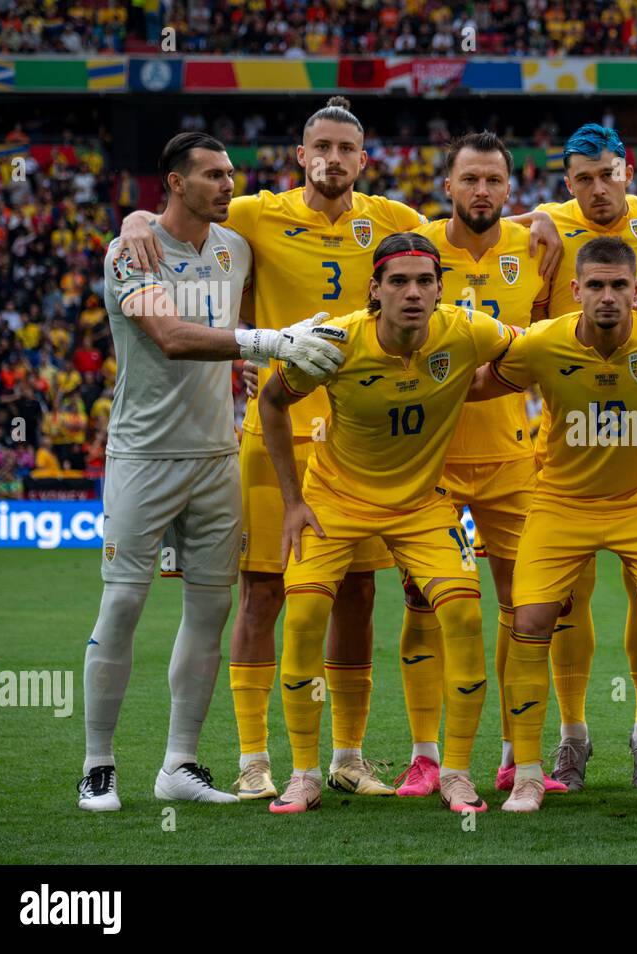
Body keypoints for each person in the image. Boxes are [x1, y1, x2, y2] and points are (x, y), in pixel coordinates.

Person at [119, 96, 561, 801]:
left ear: (364, 159)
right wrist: (138, 215)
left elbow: (473, 227)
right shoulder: (258, 211)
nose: (331, 157)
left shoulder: (392, 222)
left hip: (366, 441)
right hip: (281, 441)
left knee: (357, 596)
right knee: (263, 595)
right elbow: (182, 210)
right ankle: (256, 756)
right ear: (300, 154)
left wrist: (540, 220)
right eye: (318, 145)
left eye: (345, 148)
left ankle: (349, 755)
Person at [77, 132, 343, 812]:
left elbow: (237, 323)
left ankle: (180, 764)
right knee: (125, 601)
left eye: (231, 174)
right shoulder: (128, 252)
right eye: (213, 175)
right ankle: (98, 764)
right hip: (142, 455)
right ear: (173, 182)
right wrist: (270, 343)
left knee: (210, 609)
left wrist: (257, 353)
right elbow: (171, 336)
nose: (229, 185)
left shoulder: (235, 249)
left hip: (216, 455)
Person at [257, 231, 516, 814]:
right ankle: (303, 773)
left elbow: (535, 350)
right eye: (398, 281)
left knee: (466, 614)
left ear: (440, 289)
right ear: (375, 289)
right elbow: (272, 402)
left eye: (425, 281)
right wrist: (293, 500)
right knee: (301, 619)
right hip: (334, 499)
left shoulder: (468, 329)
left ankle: (455, 772)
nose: (413, 292)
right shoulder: (337, 342)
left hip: (423, 503)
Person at [470, 237, 637, 814]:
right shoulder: (542, 343)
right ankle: (530, 773)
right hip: (562, 503)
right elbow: (479, 385)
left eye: (620, 286)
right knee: (529, 619)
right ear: (576, 291)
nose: (608, 296)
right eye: (597, 286)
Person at [394, 131, 563, 798]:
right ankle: (426, 754)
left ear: (510, 190)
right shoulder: (415, 246)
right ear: (448, 186)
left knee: (525, 608)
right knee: (423, 604)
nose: (482, 191)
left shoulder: (536, 249)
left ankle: (516, 756)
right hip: (427, 459)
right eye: (470, 179)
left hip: (511, 458)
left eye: (494, 180)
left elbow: (550, 346)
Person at [532, 122, 637, 791]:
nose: (597, 190)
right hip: (565, 448)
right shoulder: (542, 227)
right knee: (564, 601)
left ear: (627, 168)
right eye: (582, 180)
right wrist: (535, 213)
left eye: (607, 174)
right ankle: (572, 736)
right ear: (566, 183)